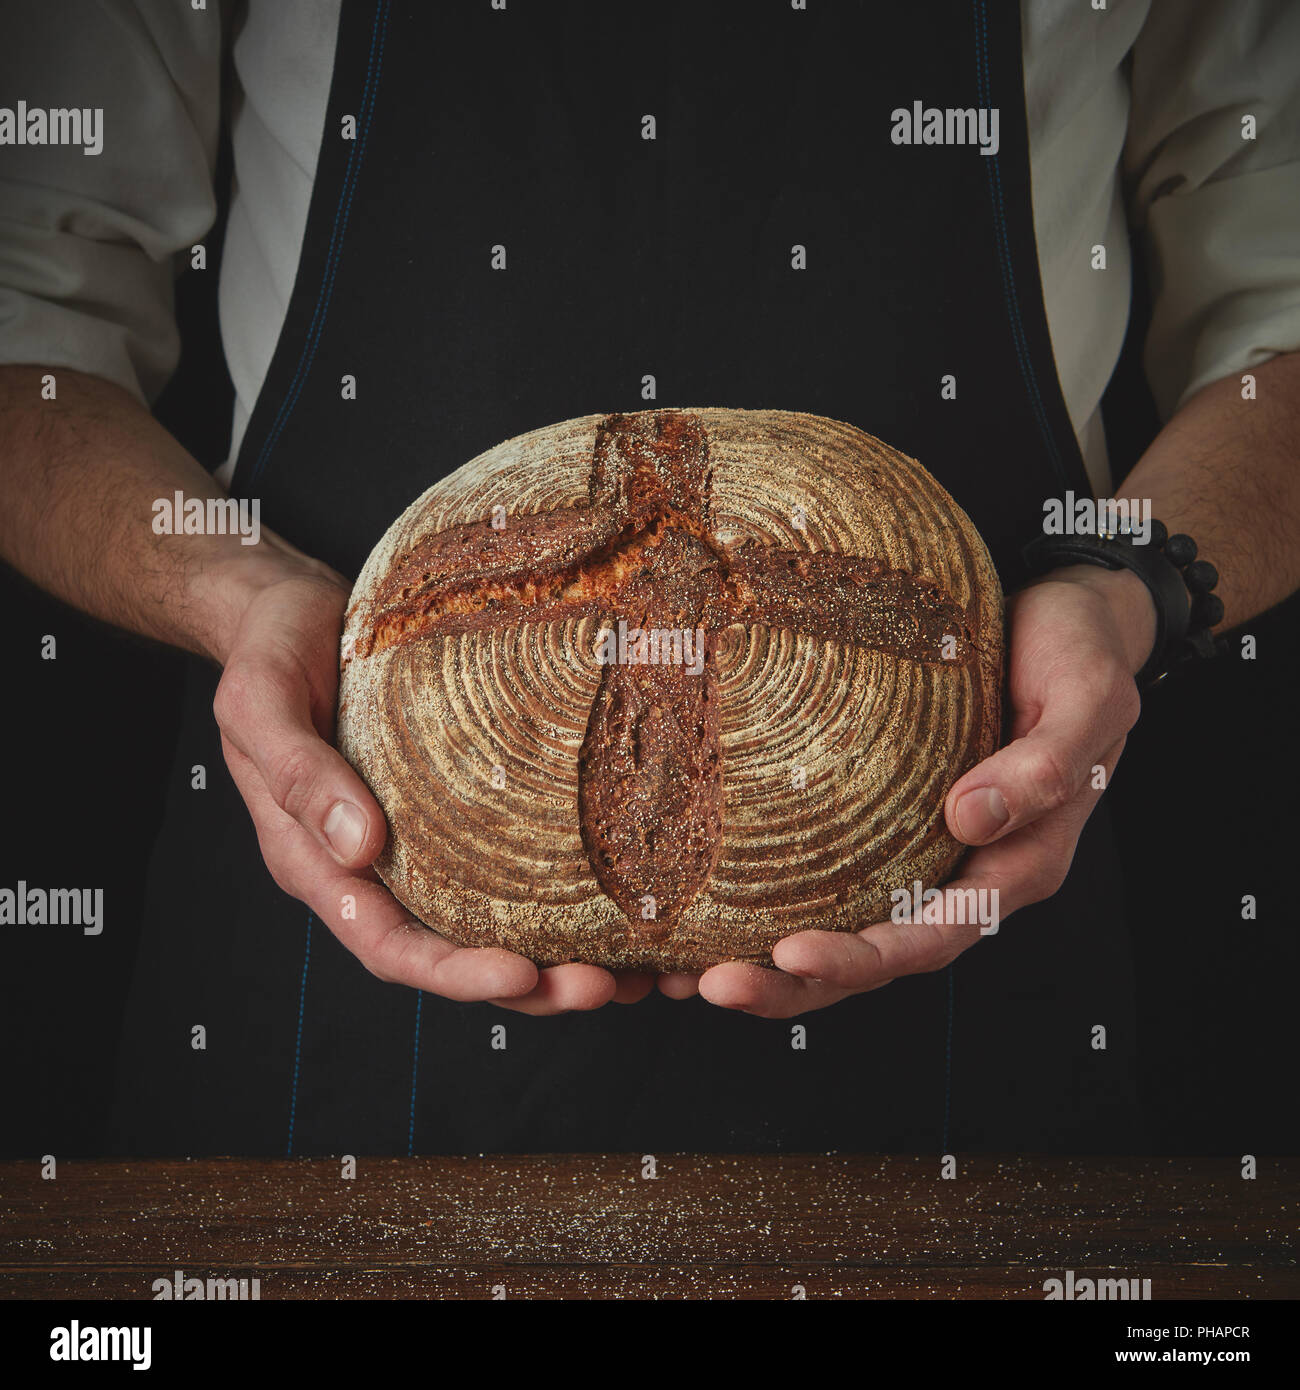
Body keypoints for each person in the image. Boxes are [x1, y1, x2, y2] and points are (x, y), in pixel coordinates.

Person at [1, 0, 1297, 1156]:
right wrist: (243, 600)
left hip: (978, 891)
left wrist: (1127, 594)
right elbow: (30, 327)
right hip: (331, 951)